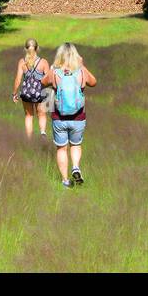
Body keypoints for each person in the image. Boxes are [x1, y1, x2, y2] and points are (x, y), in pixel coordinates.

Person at [40, 42, 96, 187]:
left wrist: (52, 70)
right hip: (78, 117)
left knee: (61, 148)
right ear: (76, 56)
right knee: (75, 145)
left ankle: (65, 181)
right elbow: (93, 82)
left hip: (59, 118)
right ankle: (75, 167)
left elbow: (42, 82)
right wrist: (82, 65)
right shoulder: (81, 71)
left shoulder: (55, 72)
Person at [11, 37, 49, 139]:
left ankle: (29, 139)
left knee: (29, 116)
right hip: (40, 92)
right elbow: (49, 79)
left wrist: (14, 94)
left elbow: (18, 80)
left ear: (25, 48)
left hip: (26, 92)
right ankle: (42, 133)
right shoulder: (43, 62)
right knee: (41, 114)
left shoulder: (22, 62)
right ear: (37, 48)